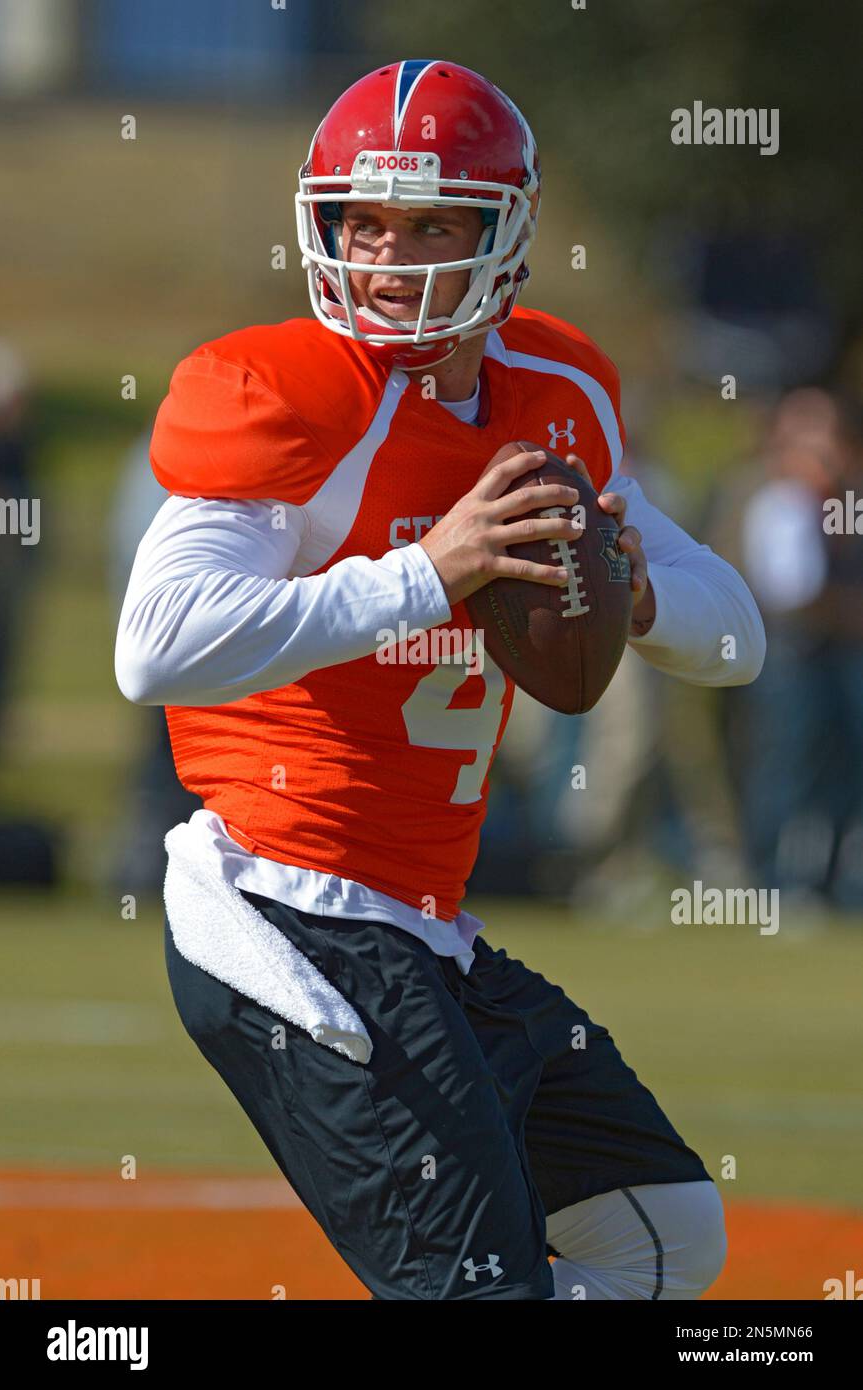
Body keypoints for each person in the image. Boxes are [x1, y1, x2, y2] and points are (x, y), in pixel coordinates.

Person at [115, 60, 765, 1300]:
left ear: (503, 235)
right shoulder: (294, 395)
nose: (388, 255)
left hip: (422, 924)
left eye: (430, 224)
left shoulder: (554, 397)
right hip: (286, 907)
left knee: (666, 1235)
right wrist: (428, 570)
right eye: (363, 220)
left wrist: (635, 596)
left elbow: (737, 636)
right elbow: (154, 644)